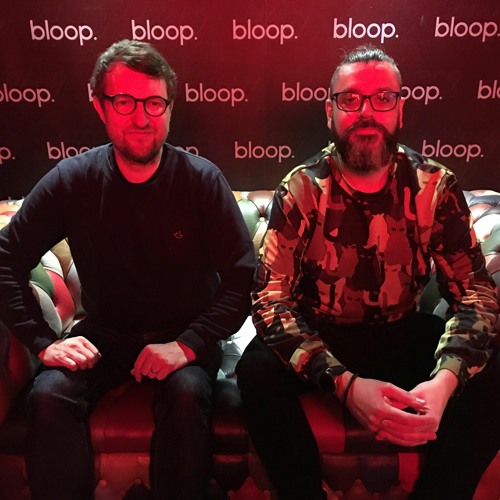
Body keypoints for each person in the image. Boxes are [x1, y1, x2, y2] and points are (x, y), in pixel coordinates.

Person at [236, 45, 500, 499]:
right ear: (330, 112)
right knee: (255, 369)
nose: (366, 113)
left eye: (382, 98)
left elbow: (475, 293)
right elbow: (270, 301)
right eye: (350, 99)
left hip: (400, 331)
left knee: (494, 368)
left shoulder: (435, 186)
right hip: (321, 334)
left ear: (400, 109)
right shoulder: (301, 188)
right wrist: (345, 386)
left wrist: (446, 380)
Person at [0, 39, 255, 500]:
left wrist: (189, 343)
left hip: (184, 334)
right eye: (125, 101)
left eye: (154, 103)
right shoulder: (72, 179)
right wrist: (43, 342)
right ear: (100, 105)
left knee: (186, 397)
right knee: (49, 396)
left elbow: (241, 279)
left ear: (169, 109)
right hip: (104, 332)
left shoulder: (201, 180)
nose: (141, 117)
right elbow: (6, 257)